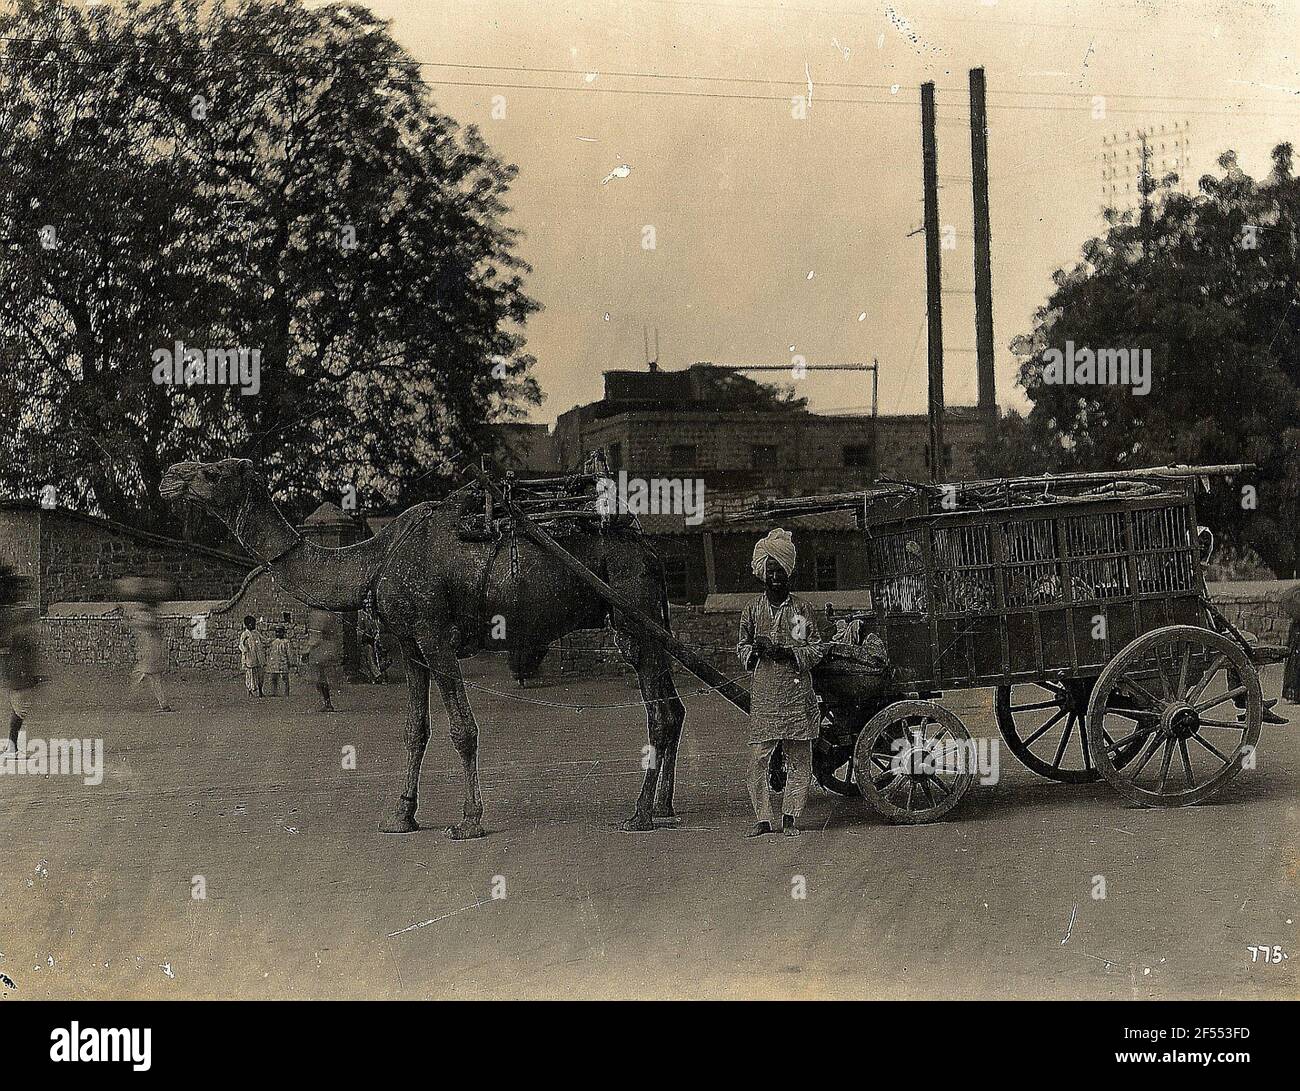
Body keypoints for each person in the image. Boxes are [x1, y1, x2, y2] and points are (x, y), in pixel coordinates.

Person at [737, 528, 826, 837]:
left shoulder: (800, 611)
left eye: (780, 572)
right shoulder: (752, 610)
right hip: (764, 697)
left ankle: (790, 818)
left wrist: (788, 652)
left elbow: (814, 648)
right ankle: (763, 820)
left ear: (788, 574)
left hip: (796, 693)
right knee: (757, 761)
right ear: (763, 575)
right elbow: (741, 647)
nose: (775, 577)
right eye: (770, 572)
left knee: (799, 759)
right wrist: (754, 651)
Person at [0, 601, 42, 753]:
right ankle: (12, 745)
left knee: (17, 712)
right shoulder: (21, 640)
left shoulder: (20, 641)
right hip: (20, 681)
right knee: (18, 712)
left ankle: (12, 745)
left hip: (19, 681)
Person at [127, 600, 173, 712]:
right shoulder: (150, 619)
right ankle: (163, 704)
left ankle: (131, 700)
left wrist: (128, 618)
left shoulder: (148, 620)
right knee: (153, 679)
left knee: (144, 676)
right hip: (152, 654)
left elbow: (141, 624)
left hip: (151, 655)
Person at [303, 608, 339, 713]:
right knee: (322, 679)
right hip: (328, 649)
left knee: (320, 679)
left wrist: (306, 651)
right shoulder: (329, 614)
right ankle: (327, 703)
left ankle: (325, 703)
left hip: (320, 651)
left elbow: (315, 638)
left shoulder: (316, 616)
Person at [239, 615, 264, 698]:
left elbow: (263, 639)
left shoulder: (256, 633)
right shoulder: (245, 634)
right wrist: (245, 650)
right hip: (249, 657)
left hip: (257, 656)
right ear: (248, 625)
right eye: (252, 624)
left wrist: (271, 641)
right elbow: (241, 645)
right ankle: (250, 691)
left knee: (260, 674)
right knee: (250, 675)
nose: (254, 626)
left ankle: (260, 690)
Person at [265, 626, 293, 697]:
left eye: (280, 632)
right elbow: (271, 653)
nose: (278, 634)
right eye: (276, 632)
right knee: (274, 678)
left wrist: (290, 661)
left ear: (283, 633)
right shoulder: (274, 642)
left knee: (285, 678)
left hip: (283, 662)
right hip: (275, 663)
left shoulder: (286, 642)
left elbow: (289, 653)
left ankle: (286, 692)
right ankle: (274, 692)